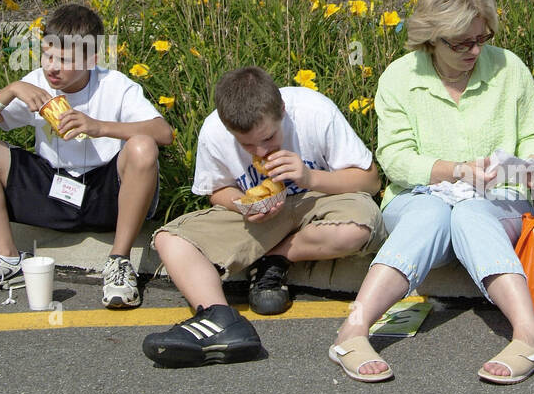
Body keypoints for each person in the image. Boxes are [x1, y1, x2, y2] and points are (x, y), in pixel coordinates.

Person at [327, 0, 534, 385]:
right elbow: (394, 158)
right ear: (430, 37)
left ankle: (529, 334)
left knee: (469, 213)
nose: (475, 50)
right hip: (418, 197)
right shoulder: (399, 77)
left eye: (482, 38)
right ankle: (353, 330)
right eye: (461, 42)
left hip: (495, 199)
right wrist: (456, 170)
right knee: (431, 214)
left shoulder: (510, 68)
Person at [142, 65, 382, 367]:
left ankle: (274, 259)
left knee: (357, 227)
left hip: (318, 201)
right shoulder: (214, 131)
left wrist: (309, 177)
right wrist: (242, 204)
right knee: (169, 240)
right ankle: (219, 318)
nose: (261, 150)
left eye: (268, 138)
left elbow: (370, 180)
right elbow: (216, 191)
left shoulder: (313, 110)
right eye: (246, 145)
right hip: (260, 216)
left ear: (281, 110)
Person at [0, 2, 171, 308]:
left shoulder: (115, 86)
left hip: (106, 194)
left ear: (92, 59)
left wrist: (99, 127)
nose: (52, 67)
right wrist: (9, 91)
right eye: (47, 55)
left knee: (143, 146)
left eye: (63, 60)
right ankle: (5, 258)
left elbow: (163, 133)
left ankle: (119, 261)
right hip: (52, 189)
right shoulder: (35, 83)